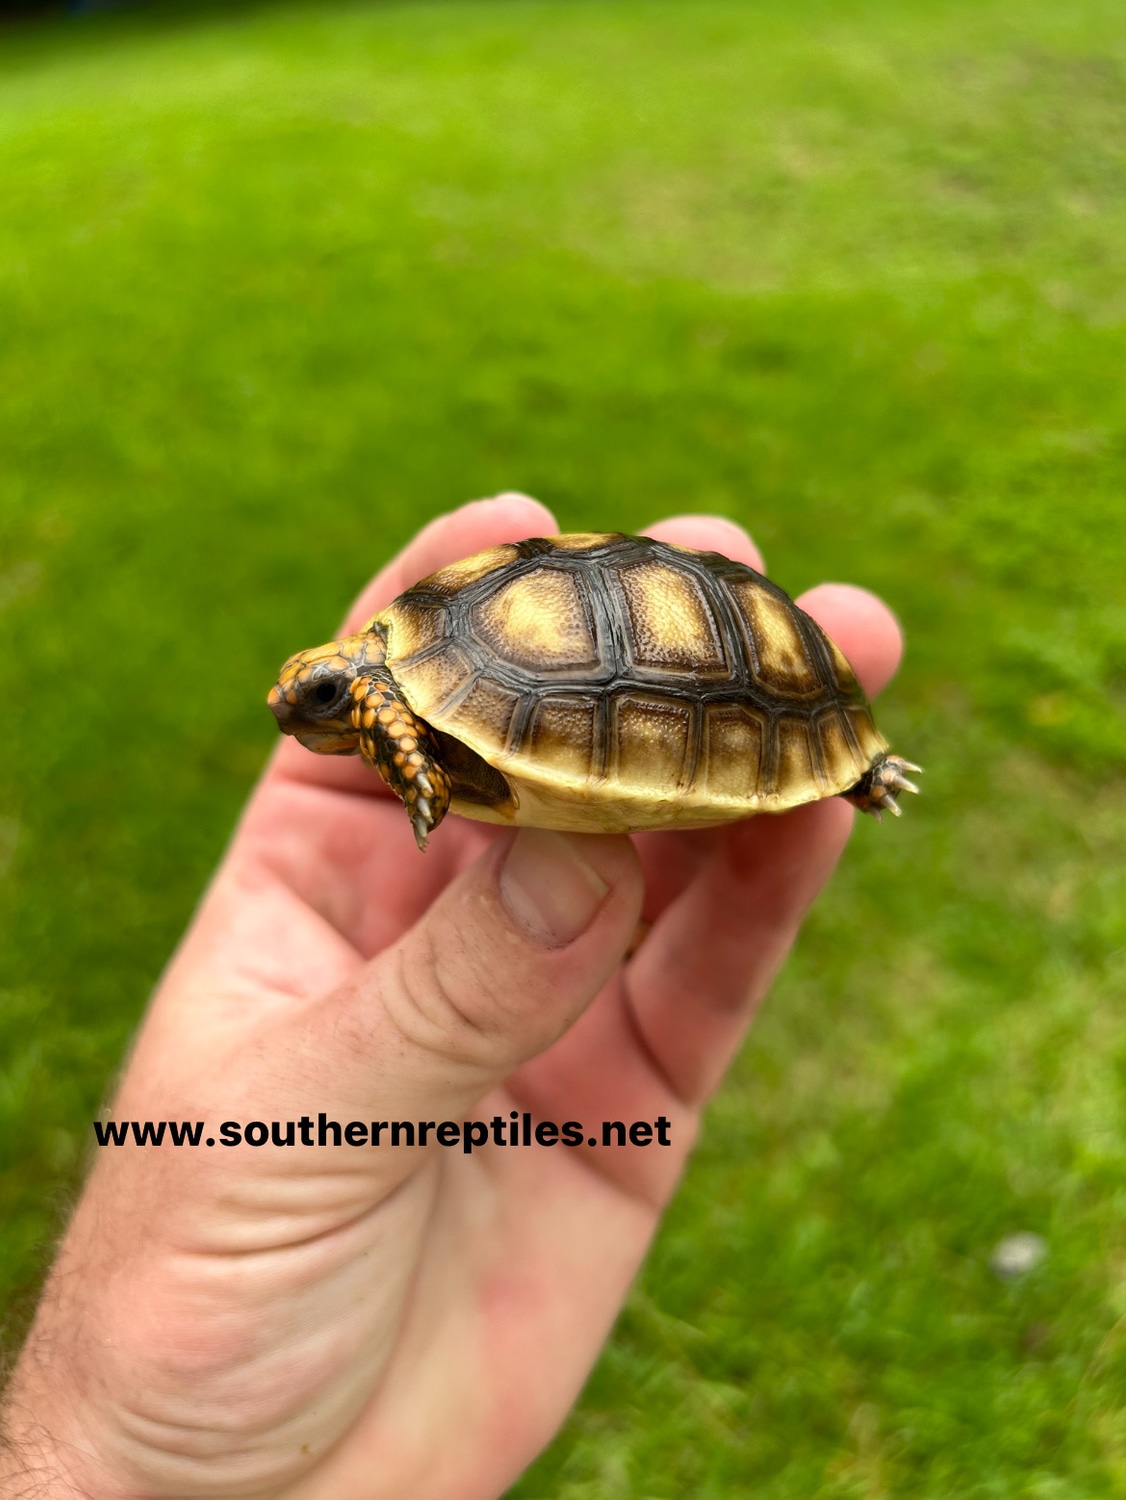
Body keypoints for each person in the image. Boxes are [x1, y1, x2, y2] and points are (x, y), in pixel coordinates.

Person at [0, 494, 903, 1499]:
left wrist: (98, 1467)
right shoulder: (413, 653)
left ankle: (847, 756)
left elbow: (404, 714)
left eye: (328, 702)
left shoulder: (403, 683)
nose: (302, 720)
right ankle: (841, 753)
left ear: (365, 691)